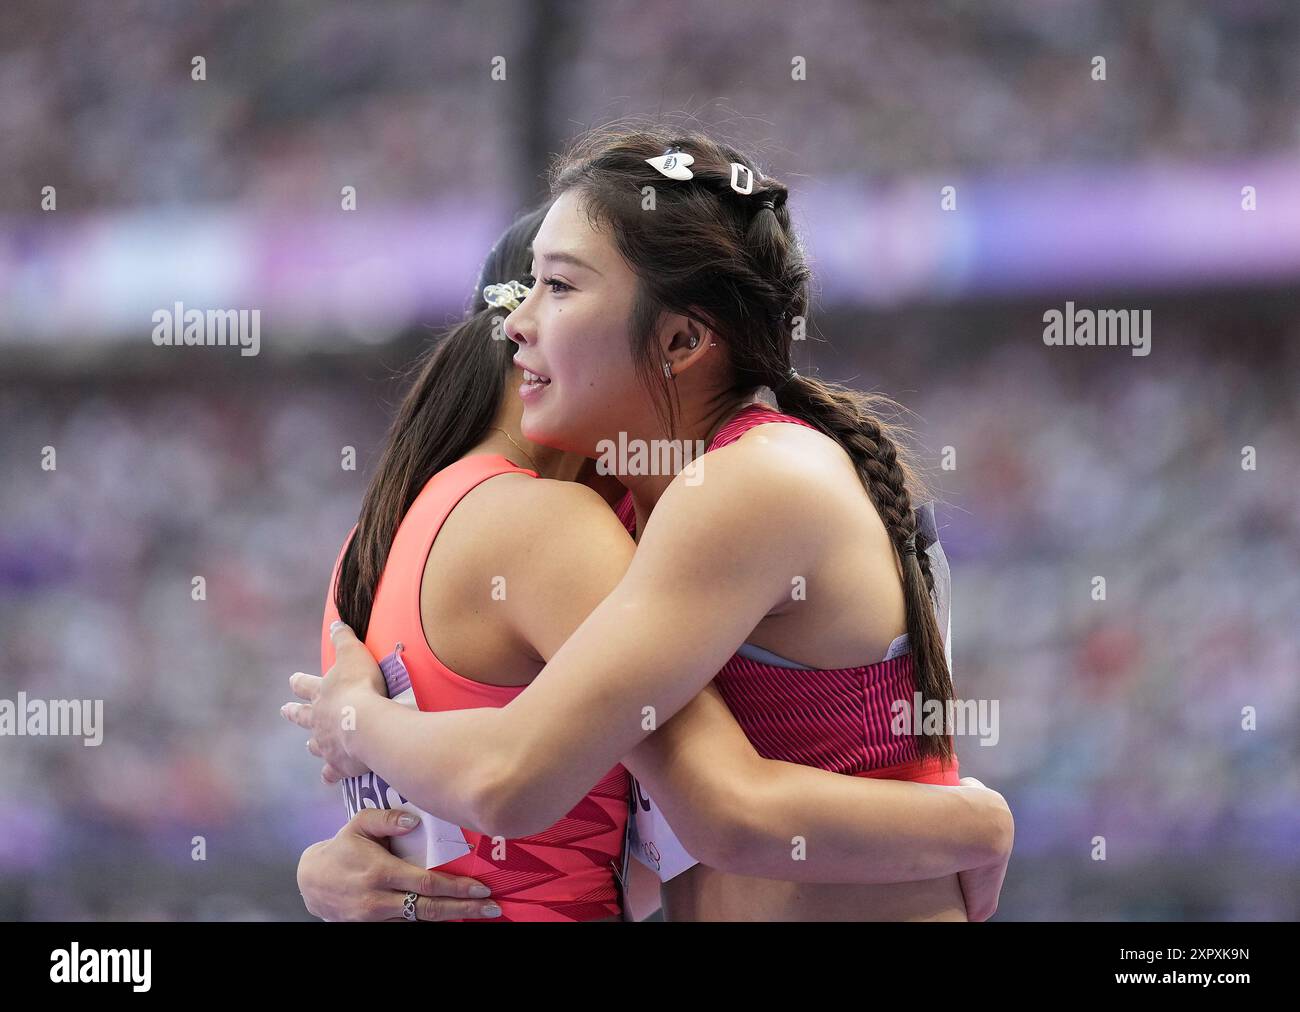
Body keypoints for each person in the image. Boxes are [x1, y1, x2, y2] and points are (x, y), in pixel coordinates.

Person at [287, 136, 1013, 919]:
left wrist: (355, 720)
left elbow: (526, 782)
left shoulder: (756, 481)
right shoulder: (637, 515)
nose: (517, 324)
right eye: (527, 286)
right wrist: (354, 861)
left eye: (559, 286)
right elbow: (630, 846)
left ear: (681, 340)